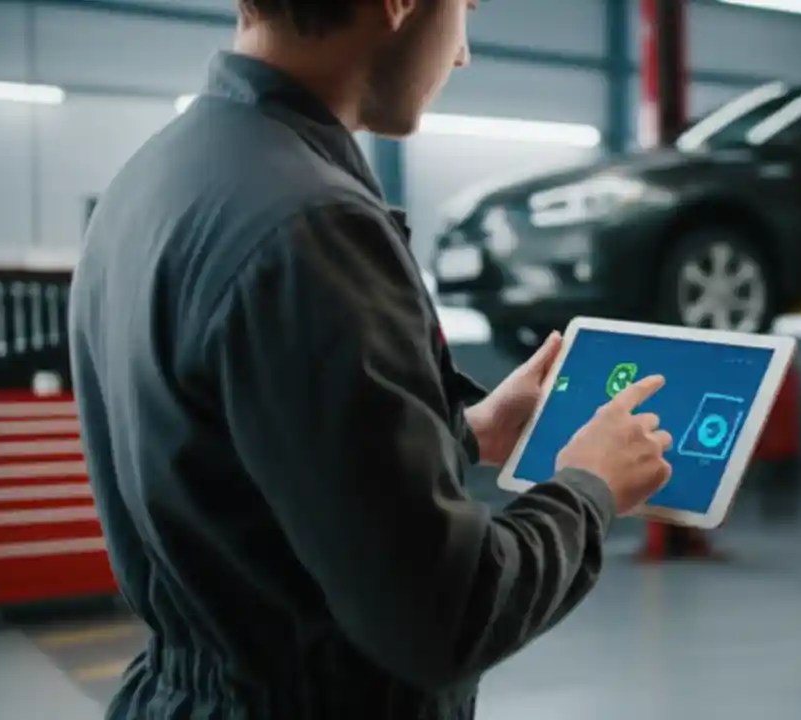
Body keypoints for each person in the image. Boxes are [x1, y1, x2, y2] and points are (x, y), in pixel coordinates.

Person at [68, 0, 674, 717]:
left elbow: (247, 462)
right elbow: (443, 616)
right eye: (465, 10)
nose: (461, 55)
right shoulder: (314, 225)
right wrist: (588, 488)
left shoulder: (157, 175)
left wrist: (467, 433)